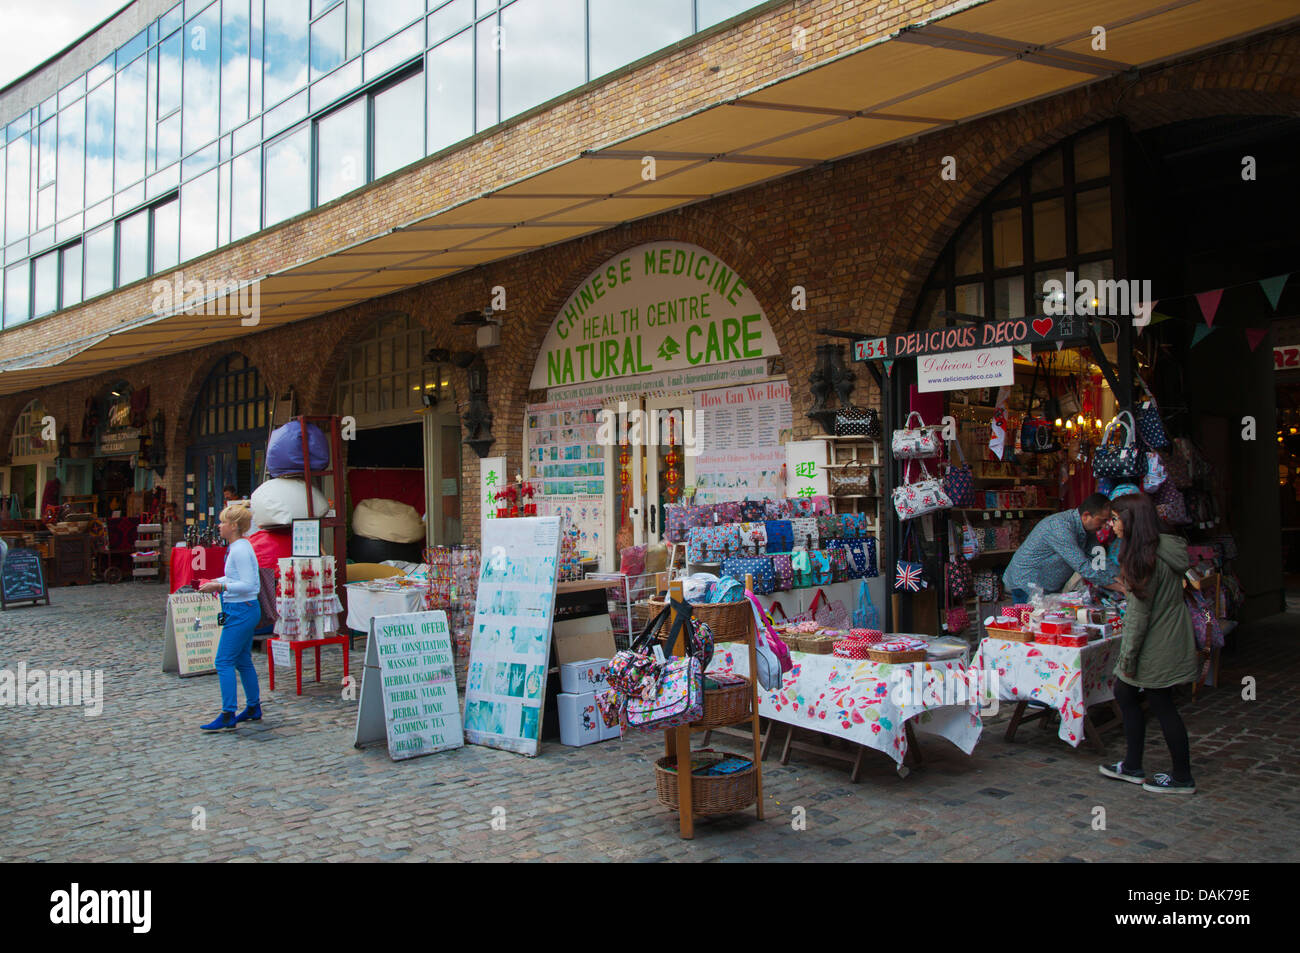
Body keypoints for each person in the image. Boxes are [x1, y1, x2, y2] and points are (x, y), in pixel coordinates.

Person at [1098, 492, 1199, 794]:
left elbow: (1139, 616)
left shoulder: (1143, 559)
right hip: (1173, 632)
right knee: (1126, 694)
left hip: (1157, 640)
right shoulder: (1168, 547)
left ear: (1130, 520)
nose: (1111, 524)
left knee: (1161, 703)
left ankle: (1181, 777)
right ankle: (1132, 765)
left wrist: (1126, 658)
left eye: (1115, 518)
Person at [197, 502, 262, 731]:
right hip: (241, 608)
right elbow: (236, 578)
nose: (219, 525)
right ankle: (253, 707)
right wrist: (215, 582)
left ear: (233, 526)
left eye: (224, 522)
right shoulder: (239, 547)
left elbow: (249, 584)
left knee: (223, 661)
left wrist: (220, 587)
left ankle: (228, 713)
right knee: (242, 660)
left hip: (240, 609)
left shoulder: (240, 549)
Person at [1002, 493, 1121, 602]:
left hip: (1046, 587)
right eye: (1103, 520)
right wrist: (1119, 587)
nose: (1106, 525)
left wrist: (1118, 576)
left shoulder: (1088, 530)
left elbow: (1098, 559)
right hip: (1026, 584)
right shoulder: (1060, 528)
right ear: (1086, 516)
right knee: (1031, 622)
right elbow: (1083, 566)